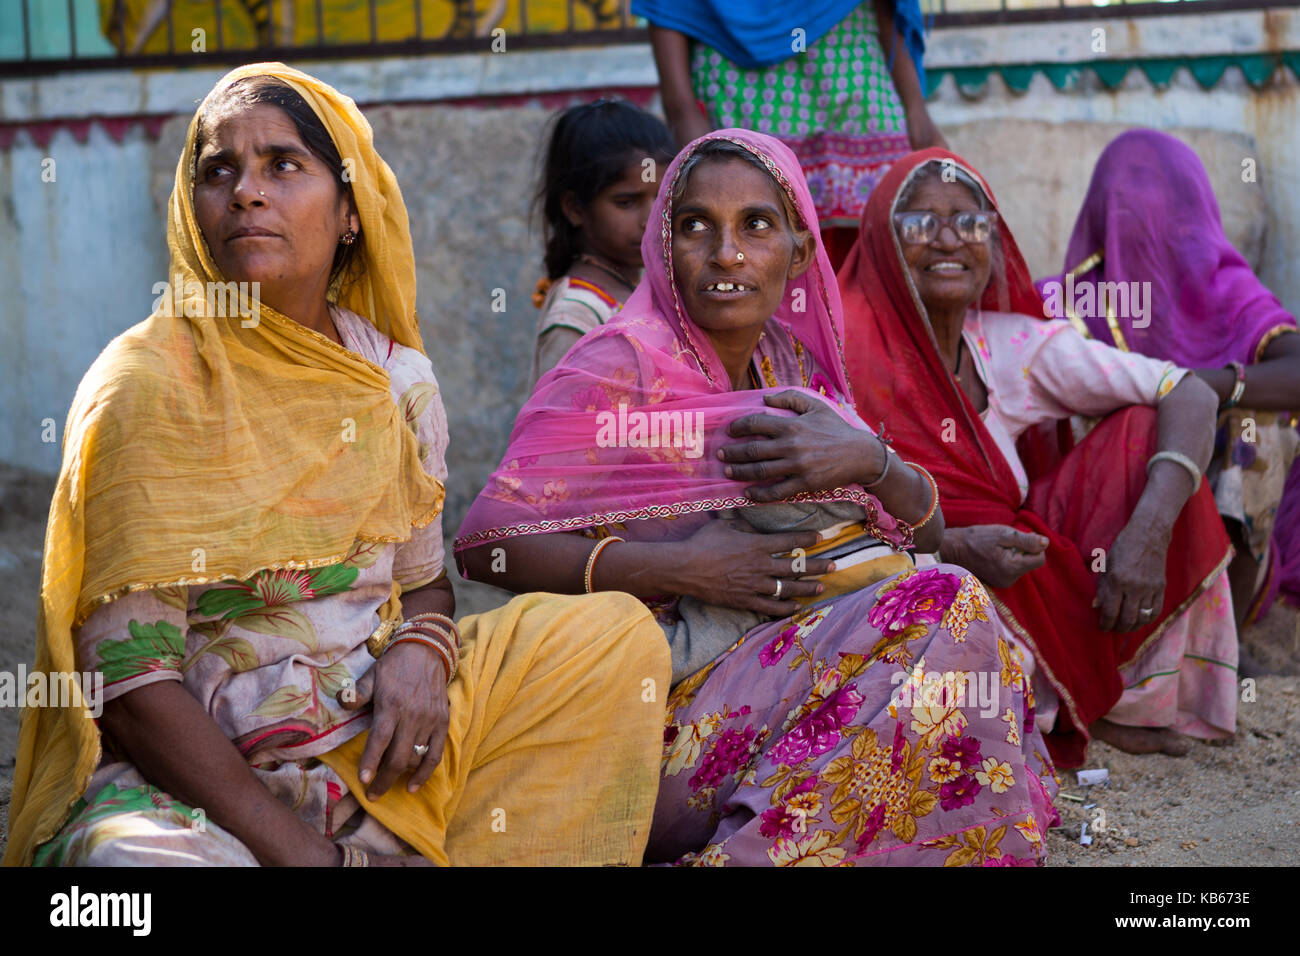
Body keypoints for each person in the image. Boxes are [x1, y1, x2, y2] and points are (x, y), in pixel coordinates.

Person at [3, 63, 669, 868]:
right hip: (202, 774)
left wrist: (424, 650)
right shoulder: (141, 386)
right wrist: (305, 856)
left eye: (283, 165)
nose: (247, 191)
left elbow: (423, 579)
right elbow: (132, 685)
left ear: (350, 211)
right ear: (193, 211)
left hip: (377, 742)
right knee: (132, 867)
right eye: (219, 171)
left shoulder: (394, 380)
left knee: (611, 635)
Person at [456, 129, 1059, 867]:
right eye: (694, 226)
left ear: (800, 254)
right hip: (640, 725)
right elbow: (485, 549)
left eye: (757, 225)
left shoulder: (787, 362)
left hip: (764, 678)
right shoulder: (624, 365)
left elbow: (924, 529)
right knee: (941, 606)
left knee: (950, 602)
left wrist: (871, 460)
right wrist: (684, 570)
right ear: (662, 245)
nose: (727, 254)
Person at [839, 149, 1236, 767]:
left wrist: (1149, 534)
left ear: (994, 246)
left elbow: (1184, 390)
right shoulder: (839, 357)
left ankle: (1119, 700)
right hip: (901, 585)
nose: (948, 240)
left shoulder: (1009, 345)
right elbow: (825, 514)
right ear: (884, 242)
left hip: (1015, 581)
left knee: (1144, 427)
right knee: (950, 665)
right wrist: (949, 546)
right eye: (920, 223)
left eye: (970, 223)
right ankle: (1055, 705)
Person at [1040, 129, 1300, 630]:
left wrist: (1188, 388)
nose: (1149, 221)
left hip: (1213, 510)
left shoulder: (1227, 289)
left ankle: (1227, 631)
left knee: (1258, 430)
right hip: (1104, 520)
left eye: (1165, 205)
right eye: (1130, 205)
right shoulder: (1064, 301)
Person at [637, 0, 945, 269]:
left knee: (872, 270)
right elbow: (670, 15)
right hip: (740, 107)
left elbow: (889, 12)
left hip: (857, 98)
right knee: (756, 258)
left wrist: (917, 112)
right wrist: (691, 132)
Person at [530, 100, 677, 386]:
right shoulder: (576, 314)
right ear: (575, 208)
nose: (651, 220)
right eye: (626, 202)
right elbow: (561, 424)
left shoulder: (641, 286)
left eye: (661, 199)